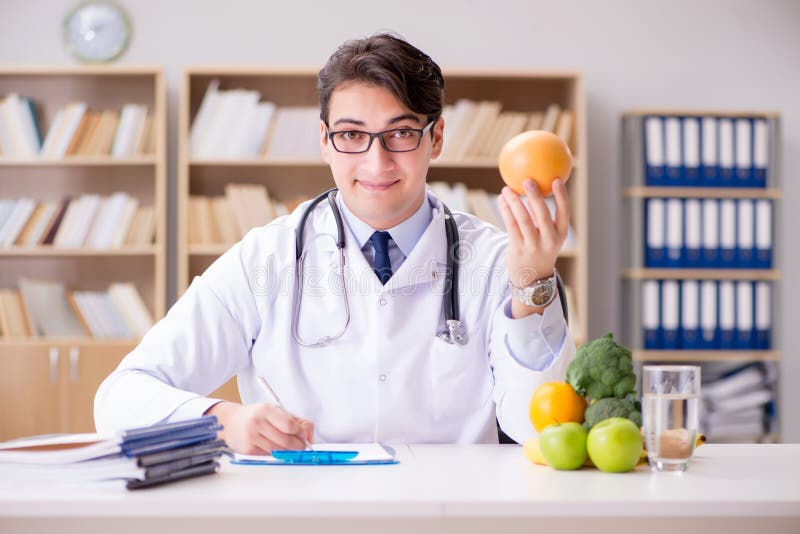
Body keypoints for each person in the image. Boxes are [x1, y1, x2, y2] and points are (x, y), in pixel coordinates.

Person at [95, 33, 576, 454]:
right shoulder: (265, 259)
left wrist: (529, 286)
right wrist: (222, 420)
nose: (376, 161)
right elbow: (119, 398)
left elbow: (538, 430)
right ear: (325, 141)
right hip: (308, 513)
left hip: (450, 517)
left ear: (437, 138)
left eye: (401, 133)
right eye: (351, 135)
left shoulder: (497, 261)